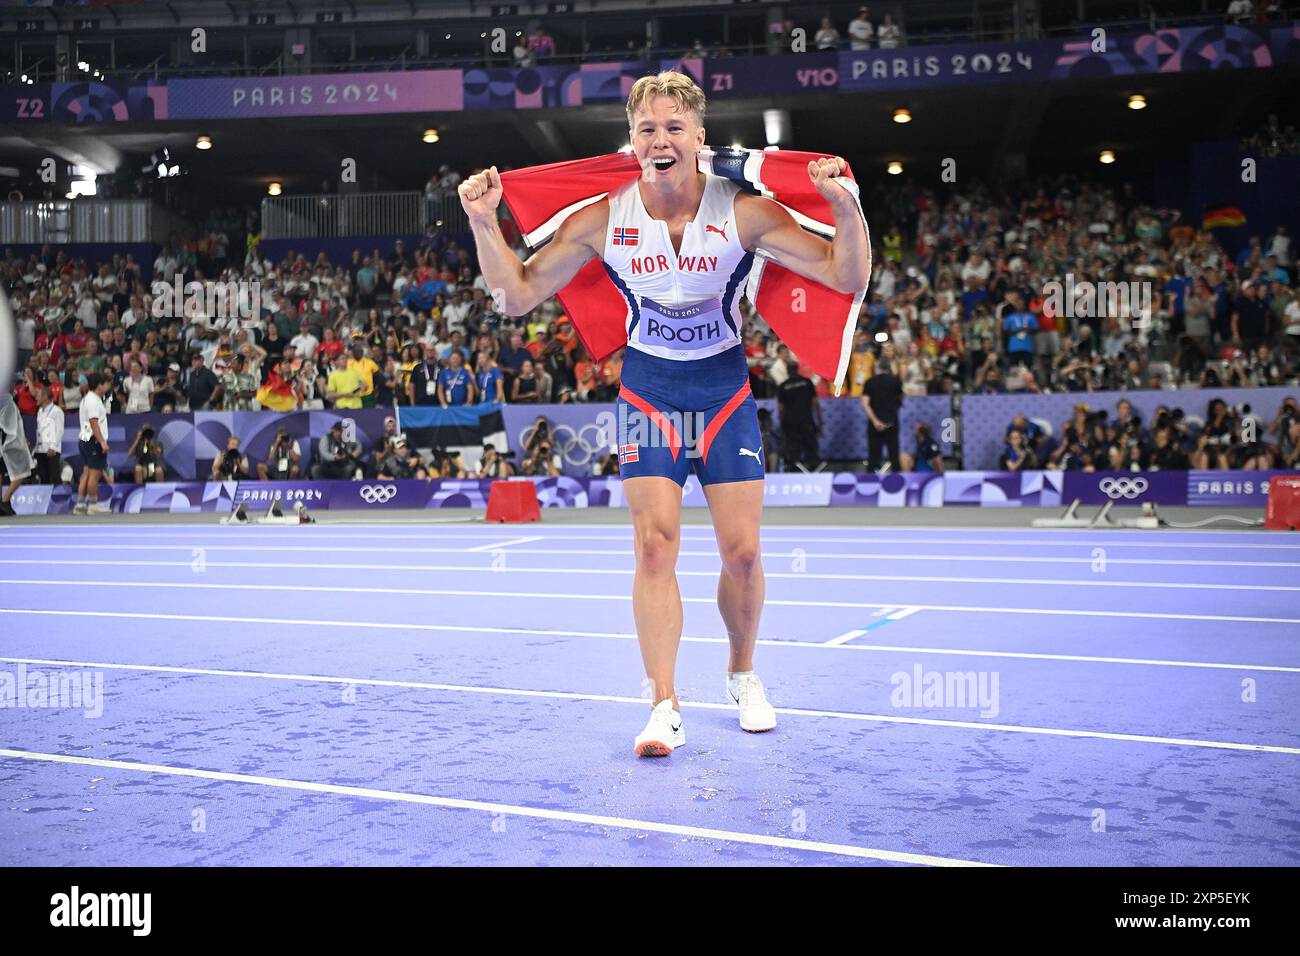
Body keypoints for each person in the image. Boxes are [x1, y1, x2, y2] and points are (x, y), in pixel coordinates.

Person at [459, 69, 870, 756]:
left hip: (724, 393)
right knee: (654, 548)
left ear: (698, 138)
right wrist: (482, 222)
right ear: (631, 139)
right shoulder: (604, 217)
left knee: (742, 555)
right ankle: (662, 703)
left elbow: (846, 275)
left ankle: (742, 674)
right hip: (649, 390)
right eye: (647, 127)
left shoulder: (742, 210)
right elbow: (516, 296)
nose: (660, 138)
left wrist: (847, 208)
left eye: (674, 127)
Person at [74, 372, 113, 515]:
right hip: (92, 440)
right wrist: (102, 442)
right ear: (99, 385)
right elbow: (94, 422)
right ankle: (93, 504)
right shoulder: (93, 400)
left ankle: (80, 503)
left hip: (85, 439)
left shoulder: (88, 399)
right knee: (94, 474)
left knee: (86, 472)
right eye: (105, 384)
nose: (107, 386)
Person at [776, 358, 822, 471]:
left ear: (787, 371)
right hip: (807, 420)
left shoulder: (783, 386)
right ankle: (813, 471)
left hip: (790, 422)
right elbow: (815, 404)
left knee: (793, 450)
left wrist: (781, 422)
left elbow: (780, 409)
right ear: (798, 369)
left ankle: (795, 471)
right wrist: (820, 421)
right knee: (810, 448)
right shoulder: (807, 382)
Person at [861, 359, 902, 473]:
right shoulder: (895, 382)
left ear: (877, 368)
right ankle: (897, 484)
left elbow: (865, 404)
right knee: (894, 454)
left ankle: (870, 484)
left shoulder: (870, 382)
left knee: (874, 455)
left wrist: (875, 421)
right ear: (889, 369)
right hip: (892, 422)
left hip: (875, 424)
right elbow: (901, 397)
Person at [0, 393, 35, 516]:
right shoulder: (7, 402)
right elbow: (9, 425)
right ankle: (5, 500)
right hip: (10, 442)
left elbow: (15, 423)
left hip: (8, 441)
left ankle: (3, 502)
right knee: (23, 470)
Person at [33, 386, 65, 486]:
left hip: (52, 450)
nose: (36, 398)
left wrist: (53, 447)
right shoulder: (39, 412)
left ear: (45, 397)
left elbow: (59, 430)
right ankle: (46, 500)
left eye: (38, 395)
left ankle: (59, 499)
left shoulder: (57, 411)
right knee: (43, 477)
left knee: (54, 476)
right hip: (40, 449)